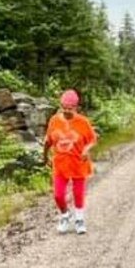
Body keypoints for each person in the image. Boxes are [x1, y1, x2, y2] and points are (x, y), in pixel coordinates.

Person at [42, 90, 97, 235]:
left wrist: (86, 149)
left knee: (78, 193)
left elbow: (93, 139)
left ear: (76, 107)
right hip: (60, 164)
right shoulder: (54, 120)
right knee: (58, 195)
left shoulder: (83, 122)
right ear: (61, 106)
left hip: (79, 163)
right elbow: (48, 141)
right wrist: (44, 156)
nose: (67, 110)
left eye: (70, 108)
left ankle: (79, 220)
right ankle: (65, 216)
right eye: (64, 107)